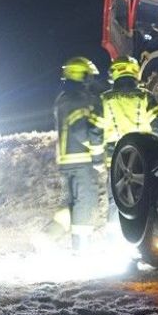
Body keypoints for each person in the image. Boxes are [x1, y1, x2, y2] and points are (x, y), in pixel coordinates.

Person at [54, 56, 106, 247]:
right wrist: (98, 158)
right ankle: (81, 248)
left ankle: (49, 234)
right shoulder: (80, 100)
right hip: (82, 160)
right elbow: (82, 131)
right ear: (81, 75)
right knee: (85, 202)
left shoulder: (62, 99)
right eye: (87, 75)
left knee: (73, 203)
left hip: (66, 161)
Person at [100, 56, 158, 159]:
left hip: (114, 157)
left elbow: (96, 132)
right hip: (142, 153)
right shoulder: (145, 96)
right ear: (135, 71)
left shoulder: (104, 99)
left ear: (113, 72)